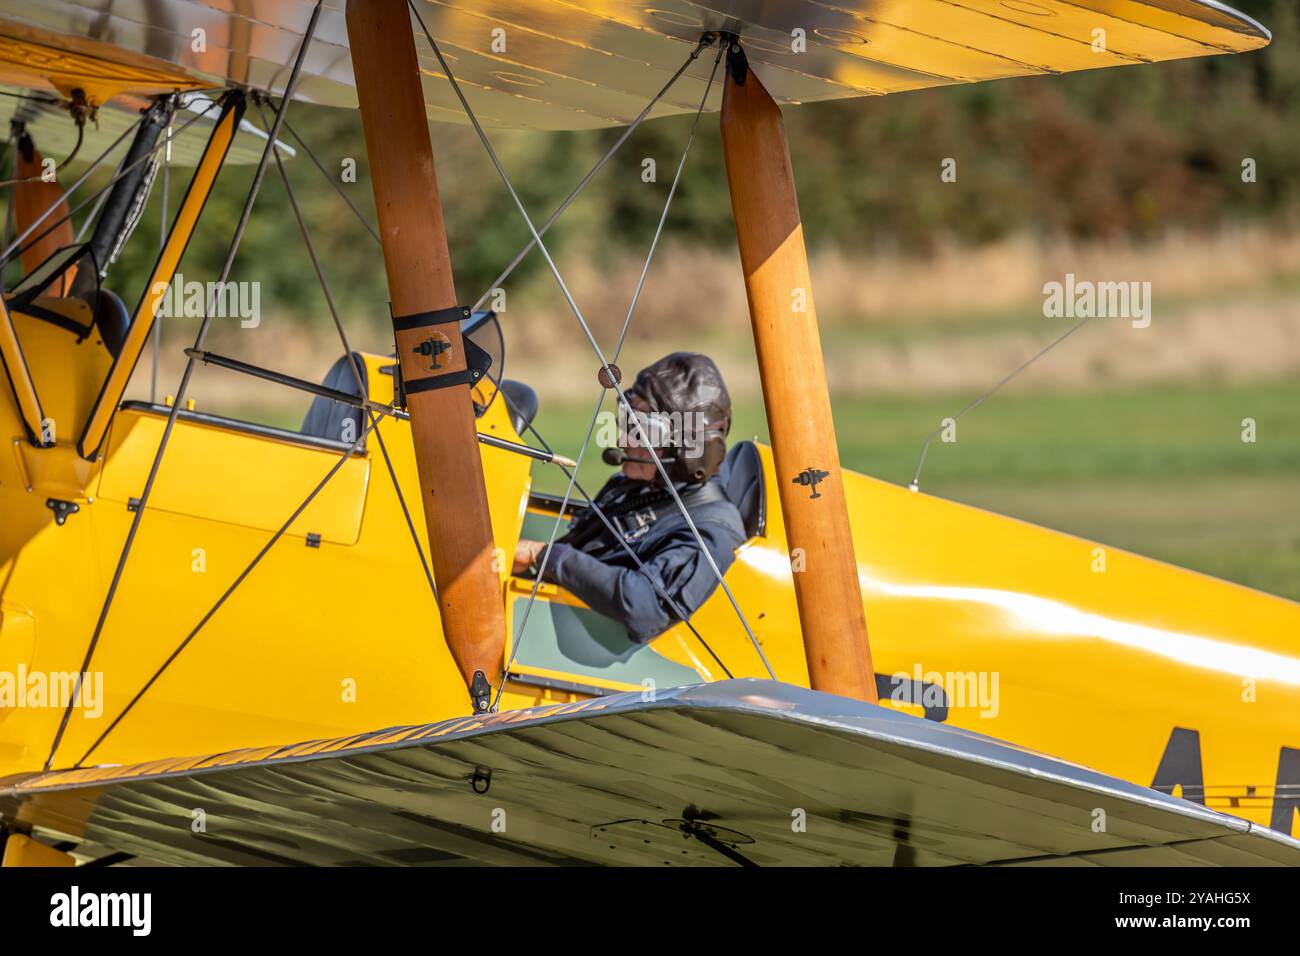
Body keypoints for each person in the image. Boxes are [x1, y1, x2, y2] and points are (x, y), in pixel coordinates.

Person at [513, 353, 746, 644]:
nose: (623, 440)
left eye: (641, 431)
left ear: (689, 450)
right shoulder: (632, 488)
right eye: (626, 422)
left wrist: (544, 556)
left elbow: (646, 608)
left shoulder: (711, 532)